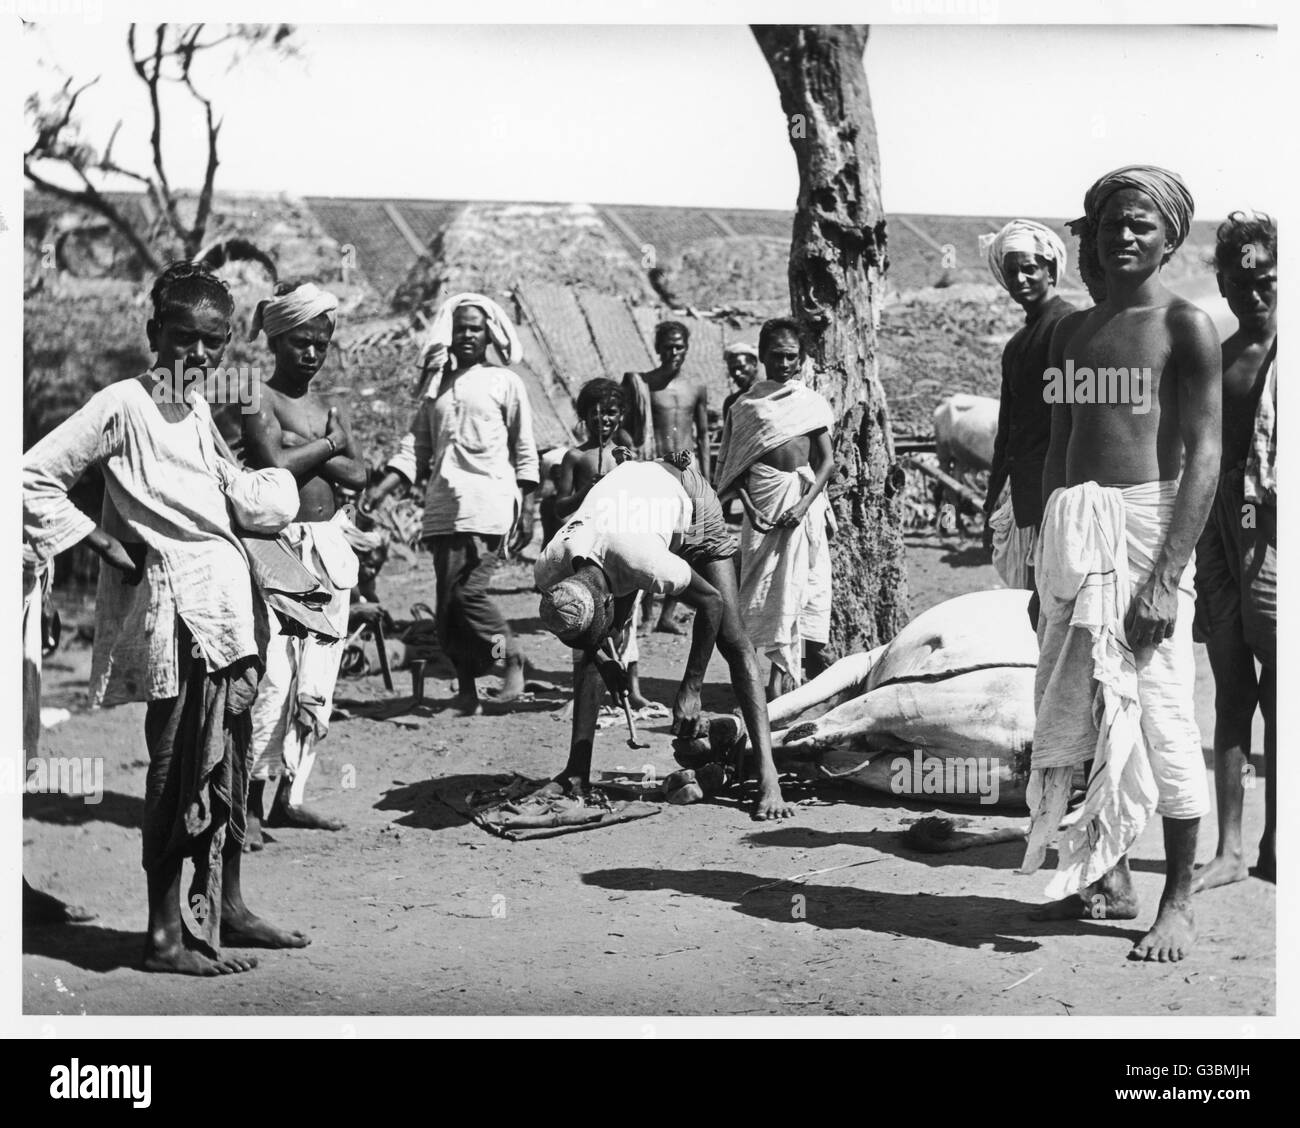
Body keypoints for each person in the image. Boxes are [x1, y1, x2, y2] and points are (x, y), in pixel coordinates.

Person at [23, 261, 309, 974]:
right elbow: (29, 475)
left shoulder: (199, 409)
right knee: (176, 769)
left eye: (215, 344)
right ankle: (160, 936)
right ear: (156, 333)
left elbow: (226, 491)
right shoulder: (123, 404)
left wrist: (269, 490)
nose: (201, 356)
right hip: (175, 616)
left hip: (227, 616)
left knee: (229, 766)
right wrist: (97, 537)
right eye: (186, 340)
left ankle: (227, 907)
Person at [1020, 166, 1220, 964]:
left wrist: (1166, 576)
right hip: (1077, 532)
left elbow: (1204, 456)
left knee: (1163, 713)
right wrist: (1044, 565)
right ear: (1094, 233)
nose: (1125, 235)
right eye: (1113, 223)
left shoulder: (1186, 326)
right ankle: (1099, 876)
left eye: (1142, 224)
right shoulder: (1072, 332)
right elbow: (1061, 446)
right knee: (1080, 709)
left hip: (1147, 527)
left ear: (1170, 238)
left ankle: (1177, 899)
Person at [535, 455, 795, 820]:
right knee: (593, 645)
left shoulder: (643, 562)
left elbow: (711, 603)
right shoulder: (551, 567)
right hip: (632, 508)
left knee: (733, 639)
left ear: (609, 598)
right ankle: (577, 771)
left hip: (687, 497)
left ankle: (769, 774)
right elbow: (582, 633)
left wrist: (691, 688)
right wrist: (605, 658)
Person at [363, 293, 539, 715]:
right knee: (447, 612)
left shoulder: (505, 382)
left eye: (475, 328)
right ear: (450, 332)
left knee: (469, 596)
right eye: (460, 327)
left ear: (488, 334)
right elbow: (414, 449)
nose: (467, 335)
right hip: (443, 507)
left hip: (489, 502)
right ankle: (467, 693)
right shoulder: (435, 390)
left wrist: (529, 508)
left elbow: (525, 449)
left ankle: (510, 657)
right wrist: (379, 490)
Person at [238, 281, 368, 847]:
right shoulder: (257, 399)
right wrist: (328, 446)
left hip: (329, 546)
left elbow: (360, 476)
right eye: (299, 343)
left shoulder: (323, 407)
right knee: (272, 676)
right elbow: (274, 469)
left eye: (320, 343)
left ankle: (288, 797)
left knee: (317, 676)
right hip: (278, 546)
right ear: (275, 341)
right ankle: (242, 801)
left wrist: (310, 445)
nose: (311, 354)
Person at [1192, 211, 1277, 892]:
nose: (1255, 293)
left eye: (1267, 279)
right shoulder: (1218, 359)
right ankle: (1230, 849)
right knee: (1230, 689)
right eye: (1241, 281)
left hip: (1275, 530)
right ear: (1222, 284)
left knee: (1284, 690)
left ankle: (1279, 840)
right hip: (1218, 528)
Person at [715, 319, 835, 697]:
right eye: (777, 356)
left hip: (802, 508)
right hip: (763, 510)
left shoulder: (811, 403)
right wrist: (750, 509)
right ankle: (752, 687)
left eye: (792, 357)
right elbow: (733, 471)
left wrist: (802, 505)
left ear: (801, 360)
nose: (784, 364)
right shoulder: (745, 406)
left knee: (802, 591)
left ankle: (779, 684)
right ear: (762, 355)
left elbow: (827, 462)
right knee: (755, 593)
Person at [979, 220, 1079, 588]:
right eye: (1011, 272)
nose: (1019, 279)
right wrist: (992, 501)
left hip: (1057, 491)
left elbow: (1075, 418)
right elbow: (1007, 430)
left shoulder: (1066, 325)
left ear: (1051, 271)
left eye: (1029, 269)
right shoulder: (1018, 342)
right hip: (1026, 491)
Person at [554, 378, 648, 707]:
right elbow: (560, 506)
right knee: (587, 619)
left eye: (610, 413)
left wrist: (629, 471)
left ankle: (625, 690)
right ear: (583, 416)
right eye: (595, 414)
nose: (603, 420)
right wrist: (586, 491)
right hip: (587, 551)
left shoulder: (624, 457)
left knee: (621, 621)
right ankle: (584, 694)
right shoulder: (575, 458)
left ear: (621, 415)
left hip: (621, 545)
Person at [623, 321, 709, 634]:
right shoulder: (643, 385)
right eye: (668, 346)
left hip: (688, 473)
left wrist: (706, 481)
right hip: (654, 470)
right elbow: (628, 427)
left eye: (679, 346)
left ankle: (667, 615)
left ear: (687, 347)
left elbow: (701, 436)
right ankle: (647, 613)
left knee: (685, 544)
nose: (674, 352)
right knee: (648, 541)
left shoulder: (696, 387)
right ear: (657, 348)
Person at [721, 342, 759, 422]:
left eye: (741, 367)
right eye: (732, 369)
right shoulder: (731, 403)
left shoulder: (772, 393)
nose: (736, 373)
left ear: (754, 364)